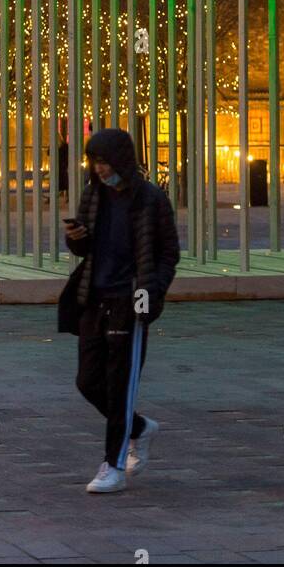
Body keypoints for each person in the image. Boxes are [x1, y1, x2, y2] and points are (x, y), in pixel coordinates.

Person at [58, 128, 180, 494]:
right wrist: (76, 239)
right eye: (94, 162)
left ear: (122, 161)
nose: (99, 169)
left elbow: (169, 253)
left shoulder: (151, 199)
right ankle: (140, 428)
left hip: (131, 299)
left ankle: (112, 465)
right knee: (87, 381)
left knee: (120, 384)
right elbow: (85, 250)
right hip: (94, 296)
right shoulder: (93, 194)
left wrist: (151, 292)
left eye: (104, 162)